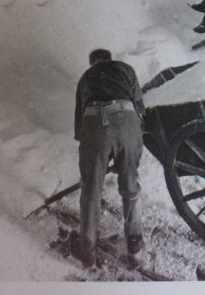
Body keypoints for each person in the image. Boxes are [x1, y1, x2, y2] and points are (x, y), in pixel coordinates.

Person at [73, 49, 145, 269]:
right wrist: (125, 144)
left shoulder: (86, 78)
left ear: (92, 62)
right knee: (130, 187)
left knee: (91, 189)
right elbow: (140, 108)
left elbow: (79, 129)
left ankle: (87, 251)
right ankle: (135, 250)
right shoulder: (126, 69)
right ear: (110, 59)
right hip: (128, 121)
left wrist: (98, 155)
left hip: (94, 123)